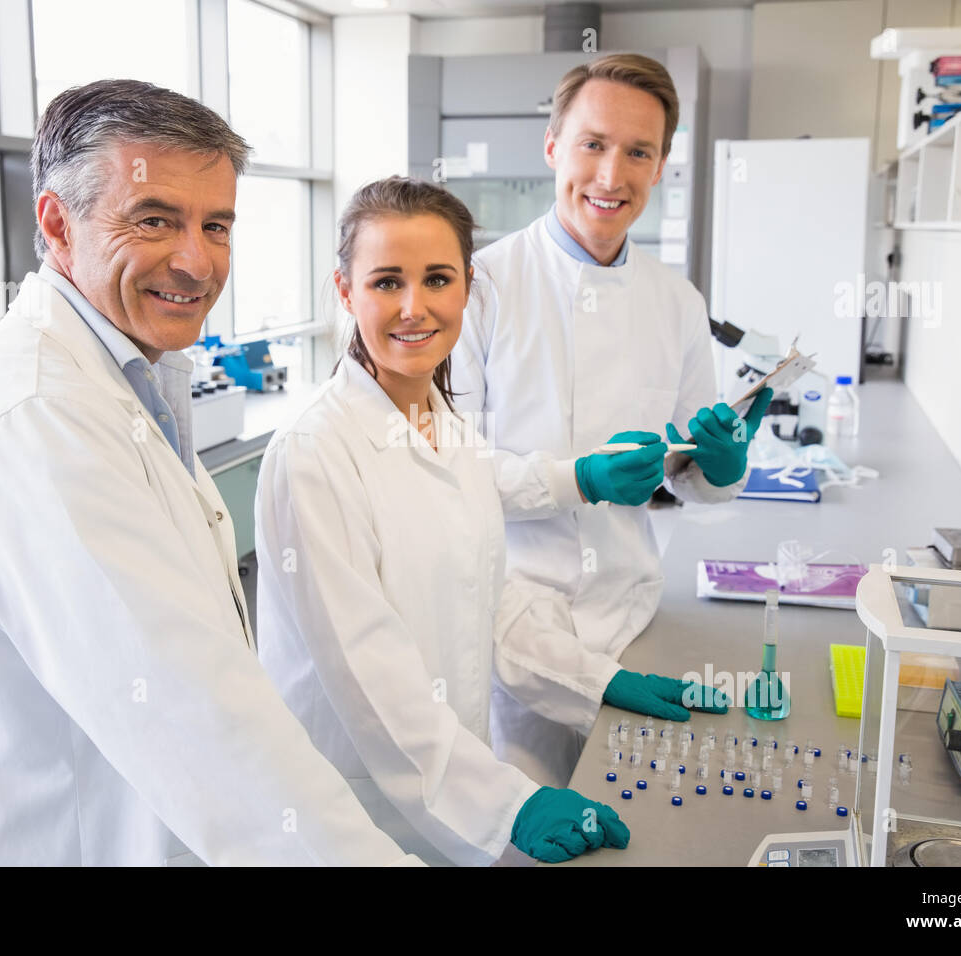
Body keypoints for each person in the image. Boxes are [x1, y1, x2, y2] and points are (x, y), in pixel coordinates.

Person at [0, 80, 419, 866]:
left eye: (217, 225)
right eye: (154, 219)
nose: (197, 259)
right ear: (56, 223)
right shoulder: (36, 419)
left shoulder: (132, 375)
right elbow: (197, 716)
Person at [255, 177, 723, 866]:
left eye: (437, 279)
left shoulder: (452, 433)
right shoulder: (315, 457)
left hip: (444, 793)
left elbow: (488, 602)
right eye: (386, 282)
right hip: (352, 816)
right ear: (345, 291)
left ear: (466, 290)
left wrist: (598, 681)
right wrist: (508, 804)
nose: (414, 307)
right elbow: (369, 675)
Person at [450, 54, 772, 787]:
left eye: (639, 152)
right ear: (552, 146)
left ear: (660, 167)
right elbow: (452, 477)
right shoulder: (479, 289)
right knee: (523, 833)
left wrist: (720, 469)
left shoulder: (677, 303)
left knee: (643, 828)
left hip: (632, 617)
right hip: (509, 625)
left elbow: (695, 478)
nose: (611, 175)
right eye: (593, 144)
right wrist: (582, 478)